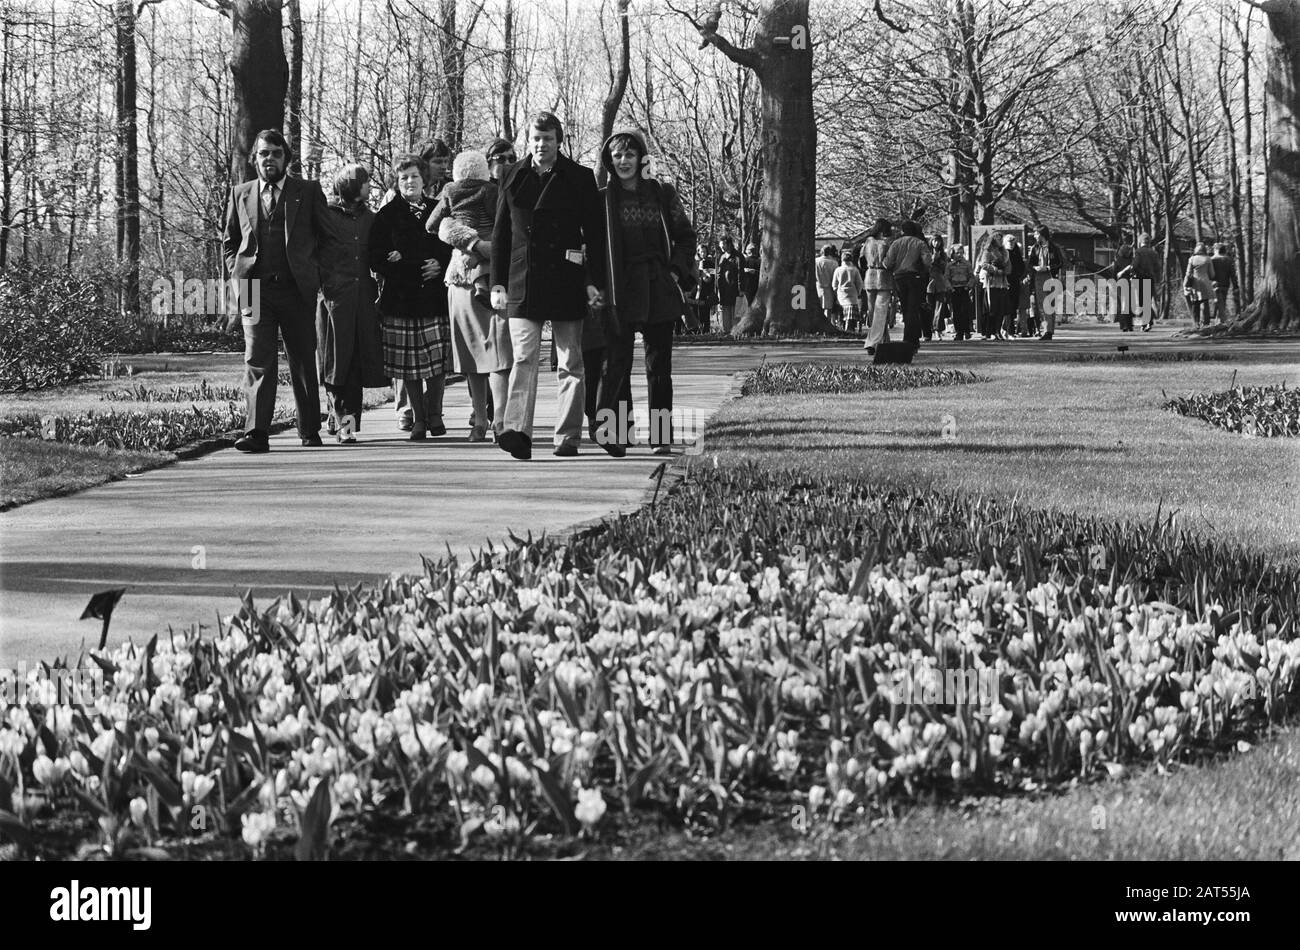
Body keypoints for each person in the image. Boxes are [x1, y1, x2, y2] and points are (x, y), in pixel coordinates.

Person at [489, 111, 607, 461]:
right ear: (530, 140)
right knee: (524, 359)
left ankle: (568, 437)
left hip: (567, 280)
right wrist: (497, 284)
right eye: (536, 139)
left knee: (570, 361)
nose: (542, 145)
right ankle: (516, 432)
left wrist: (593, 282)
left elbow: (595, 238)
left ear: (559, 140)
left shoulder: (580, 178)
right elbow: (500, 236)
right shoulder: (512, 176)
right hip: (522, 281)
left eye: (549, 139)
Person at [223, 129, 343, 453]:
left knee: (303, 359)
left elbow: (330, 239)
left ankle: (309, 429)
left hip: (296, 287)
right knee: (257, 359)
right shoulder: (240, 193)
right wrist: (237, 275)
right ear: (255, 159)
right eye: (264, 153)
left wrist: (316, 274)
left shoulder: (306, 191)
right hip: (252, 289)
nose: (269, 159)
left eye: (276, 153)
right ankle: (257, 433)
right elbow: (230, 243)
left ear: (285, 159)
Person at [593, 128, 696, 458]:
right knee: (618, 362)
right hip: (619, 289)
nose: (623, 161)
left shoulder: (662, 194)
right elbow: (593, 248)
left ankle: (661, 435)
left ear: (641, 157)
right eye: (617, 155)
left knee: (659, 365)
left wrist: (676, 271)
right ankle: (619, 432)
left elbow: (685, 236)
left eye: (630, 154)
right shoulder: (602, 199)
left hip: (657, 285)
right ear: (609, 161)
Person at [428, 149, 512, 443]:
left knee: (477, 355)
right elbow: (503, 228)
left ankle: (480, 420)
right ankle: (499, 421)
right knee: (498, 354)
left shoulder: (449, 191)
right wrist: (479, 242)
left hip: (463, 277)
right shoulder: (493, 191)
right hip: (491, 275)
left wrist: (457, 233)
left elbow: (431, 223)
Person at [369, 153, 453, 441]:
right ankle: (418, 419)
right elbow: (377, 257)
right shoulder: (387, 215)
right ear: (397, 181)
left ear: (423, 179)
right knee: (410, 366)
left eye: (414, 176)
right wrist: (409, 263)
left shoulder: (438, 208)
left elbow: (450, 245)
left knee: (437, 363)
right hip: (402, 299)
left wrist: (440, 263)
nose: (409, 182)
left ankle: (436, 414)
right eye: (403, 177)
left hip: (434, 297)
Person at [316, 163, 387, 444]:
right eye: (365, 182)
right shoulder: (327, 217)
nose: (369, 186)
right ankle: (335, 412)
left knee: (355, 366)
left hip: (362, 303)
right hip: (334, 302)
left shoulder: (371, 219)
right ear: (352, 186)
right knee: (335, 364)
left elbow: (378, 254)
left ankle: (347, 425)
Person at [883, 220, 932, 345]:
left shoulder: (896, 243)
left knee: (905, 308)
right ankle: (912, 338)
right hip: (915, 277)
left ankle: (909, 337)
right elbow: (927, 261)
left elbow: (888, 263)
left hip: (899, 278)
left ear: (902, 231)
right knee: (914, 308)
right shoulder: (920, 243)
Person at [860, 218, 893, 354]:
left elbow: (861, 260)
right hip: (883, 277)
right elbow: (889, 262)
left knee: (873, 311)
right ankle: (873, 342)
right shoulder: (886, 244)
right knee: (881, 311)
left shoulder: (867, 242)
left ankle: (884, 340)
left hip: (869, 276)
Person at [1026, 225, 1063, 338]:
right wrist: (1035, 268)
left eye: (1036, 233)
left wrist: (1048, 268)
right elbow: (1030, 264)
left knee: (1051, 304)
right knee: (1043, 305)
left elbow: (1060, 263)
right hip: (1039, 277)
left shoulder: (1054, 248)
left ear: (1042, 235)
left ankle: (1050, 330)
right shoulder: (1034, 248)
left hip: (1051, 276)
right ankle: (1047, 331)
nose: (1035, 236)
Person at [978, 238, 1010, 340]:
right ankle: (990, 331)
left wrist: (1004, 271)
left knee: (1001, 309)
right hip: (991, 283)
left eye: (1001, 239)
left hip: (1002, 284)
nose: (1001, 241)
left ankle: (998, 331)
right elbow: (984, 264)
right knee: (991, 309)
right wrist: (995, 270)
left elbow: (1009, 266)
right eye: (999, 239)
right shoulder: (988, 251)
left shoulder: (1004, 252)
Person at [1133, 233, 1162, 332]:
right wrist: (1157, 279)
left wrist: (1133, 274)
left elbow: (1135, 265)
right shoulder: (1154, 253)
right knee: (1147, 301)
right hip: (1150, 278)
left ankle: (1146, 323)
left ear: (1140, 241)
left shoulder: (1138, 252)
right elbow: (1158, 267)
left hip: (1140, 279)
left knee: (1142, 302)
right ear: (1149, 242)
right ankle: (1148, 322)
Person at [831, 249, 864, 335]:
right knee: (851, 319)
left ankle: (842, 329)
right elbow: (860, 284)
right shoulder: (854, 270)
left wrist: (836, 294)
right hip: (852, 297)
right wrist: (858, 293)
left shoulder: (838, 270)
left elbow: (834, 285)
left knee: (840, 317)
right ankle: (851, 331)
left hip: (841, 297)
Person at [946, 245, 975, 341]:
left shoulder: (967, 264)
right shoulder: (949, 265)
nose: (959, 255)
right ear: (953, 253)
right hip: (954, 289)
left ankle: (967, 330)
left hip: (964, 288)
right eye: (957, 253)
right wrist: (950, 288)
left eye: (961, 253)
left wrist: (968, 286)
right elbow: (946, 278)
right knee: (956, 311)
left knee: (965, 310)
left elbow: (971, 276)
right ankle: (959, 332)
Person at [925, 234, 950, 340]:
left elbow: (945, 267)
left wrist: (939, 260)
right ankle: (928, 330)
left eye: (938, 241)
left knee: (939, 308)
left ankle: (937, 330)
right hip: (929, 283)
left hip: (940, 282)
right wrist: (933, 259)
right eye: (934, 241)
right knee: (929, 308)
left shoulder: (943, 254)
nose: (936, 243)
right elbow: (925, 266)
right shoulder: (926, 252)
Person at [1183, 243, 1214, 329]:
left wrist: (1185, 284)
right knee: (1205, 303)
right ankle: (1206, 323)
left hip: (1195, 283)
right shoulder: (1208, 259)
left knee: (1195, 303)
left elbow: (1188, 273)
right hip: (1205, 282)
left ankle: (1196, 323)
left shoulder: (1192, 259)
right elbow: (1212, 274)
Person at [714, 236, 741, 334]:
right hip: (723, 290)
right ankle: (726, 331)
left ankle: (735, 331)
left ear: (728, 244)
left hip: (735, 290)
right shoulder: (722, 257)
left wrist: (740, 288)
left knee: (735, 311)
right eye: (720, 245)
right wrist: (718, 290)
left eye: (723, 245)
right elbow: (719, 274)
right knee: (725, 310)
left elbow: (740, 273)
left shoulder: (738, 257)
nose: (721, 247)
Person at [1210, 243, 1239, 325]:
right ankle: (1219, 320)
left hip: (1214, 284)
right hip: (1225, 284)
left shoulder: (1212, 260)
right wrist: (1235, 285)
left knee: (1218, 302)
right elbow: (1233, 274)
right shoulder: (1228, 260)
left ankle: (1219, 321)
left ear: (1216, 250)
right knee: (1222, 301)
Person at [1003, 233, 1025, 337]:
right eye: (1009, 241)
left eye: (1013, 241)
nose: (1011, 243)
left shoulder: (1017, 252)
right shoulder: (1003, 253)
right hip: (1005, 282)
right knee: (1007, 306)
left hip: (1015, 281)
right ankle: (1009, 329)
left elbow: (1021, 266)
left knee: (1014, 306)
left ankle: (1008, 328)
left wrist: (1020, 276)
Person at [1112, 243, 1137, 331]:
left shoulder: (1117, 261)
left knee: (1121, 305)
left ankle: (1123, 325)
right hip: (1129, 283)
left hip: (1120, 284)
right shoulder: (1131, 260)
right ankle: (1129, 325)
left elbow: (1114, 274)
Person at [815, 244, 840, 328]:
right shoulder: (834, 263)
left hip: (817, 286)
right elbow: (835, 277)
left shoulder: (816, 261)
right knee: (828, 309)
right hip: (829, 288)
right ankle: (826, 325)